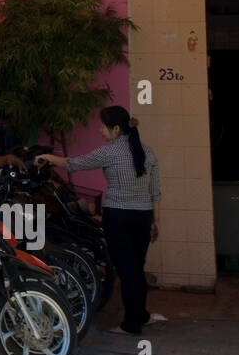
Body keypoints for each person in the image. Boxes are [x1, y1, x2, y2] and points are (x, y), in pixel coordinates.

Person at [36, 106, 164, 336]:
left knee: (127, 272)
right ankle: (141, 315)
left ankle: (131, 324)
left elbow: (74, 163)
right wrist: (155, 221)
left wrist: (47, 158)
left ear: (116, 129)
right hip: (143, 218)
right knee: (136, 268)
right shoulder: (148, 152)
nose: (99, 129)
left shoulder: (111, 151)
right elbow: (155, 191)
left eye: (103, 126)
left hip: (118, 217)